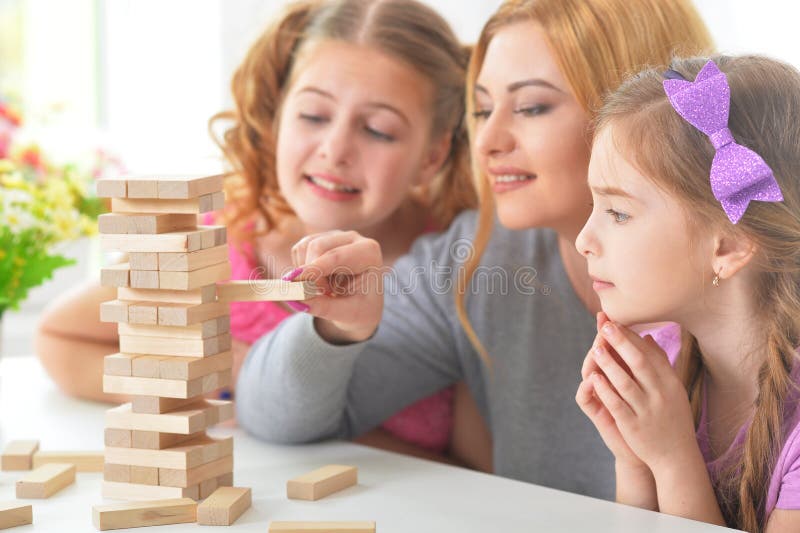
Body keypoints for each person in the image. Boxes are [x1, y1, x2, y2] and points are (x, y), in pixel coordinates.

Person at [235, 0, 712, 499]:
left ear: (641, 110)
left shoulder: (744, 270)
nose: (486, 140)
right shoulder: (478, 256)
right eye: (483, 109)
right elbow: (274, 416)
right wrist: (335, 329)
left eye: (530, 107)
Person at [35, 0, 487, 468]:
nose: (335, 150)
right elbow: (59, 335)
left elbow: (481, 474)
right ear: (275, 117)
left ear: (432, 156)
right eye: (313, 116)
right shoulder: (218, 243)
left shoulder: (458, 266)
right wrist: (201, 378)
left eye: (377, 130)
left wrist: (286, 405)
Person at [575, 56, 800, 532]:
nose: (583, 239)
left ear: (729, 245)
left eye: (617, 213)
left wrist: (673, 458)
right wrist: (633, 459)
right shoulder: (667, 362)